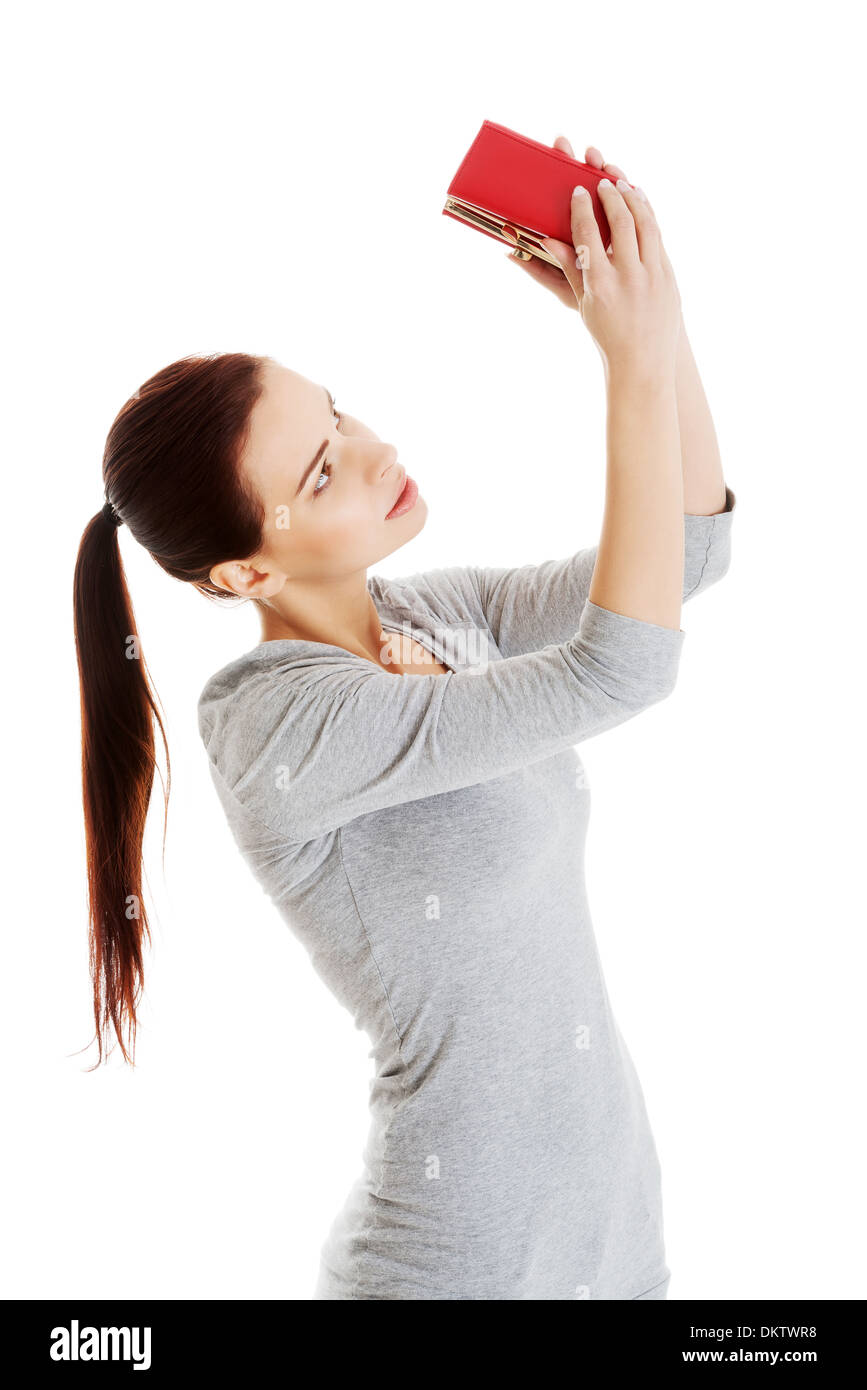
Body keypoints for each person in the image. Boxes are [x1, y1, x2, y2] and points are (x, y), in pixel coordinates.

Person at [73, 150, 735, 1300]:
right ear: (242, 571)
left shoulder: (436, 610)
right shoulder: (275, 728)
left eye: (339, 412)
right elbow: (623, 670)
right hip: (451, 1264)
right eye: (324, 472)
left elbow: (694, 552)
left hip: (611, 1233)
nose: (377, 450)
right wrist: (625, 372)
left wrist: (656, 319)